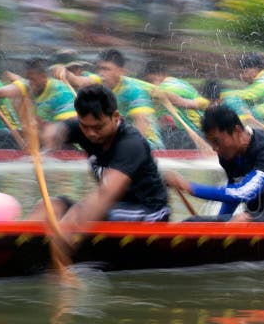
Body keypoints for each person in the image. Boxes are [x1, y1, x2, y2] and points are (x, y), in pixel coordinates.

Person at [32, 84, 170, 236]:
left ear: (116, 117)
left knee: (79, 214)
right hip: (114, 207)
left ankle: (62, 258)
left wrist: (75, 220)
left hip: (150, 211)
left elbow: (105, 195)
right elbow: (59, 129)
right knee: (49, 206)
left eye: (98, 127)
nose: (91, 134)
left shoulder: (130, 143)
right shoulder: (84, 128)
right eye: (85, 126)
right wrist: (50, 135)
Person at [163, 105, 264, 222]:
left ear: (237, 130)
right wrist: (218, 223)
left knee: (243, 219)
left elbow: (244, 192)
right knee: (193, 221)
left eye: (217, 141)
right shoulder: (228, 154)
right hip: (257, 217)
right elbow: (232, 193)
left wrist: (188, 187)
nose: (214, 148)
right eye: (211, 143)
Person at [142, 60, 210, 149]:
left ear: (161, 74)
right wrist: (185, 102)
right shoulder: (181, 83)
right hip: (201, 131)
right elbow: (205, 103)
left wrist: (182, 102)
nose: (150, 84)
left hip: (187, 133)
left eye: (151, 80)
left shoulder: (165, 88)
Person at [0, 58, 76, 124]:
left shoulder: (61, 93)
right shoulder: (27, 83)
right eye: (27, 79)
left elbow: (67, 128)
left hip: (65, 142)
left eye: (33, 79)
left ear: (44, 77)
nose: (30, 84)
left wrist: (40, 124)